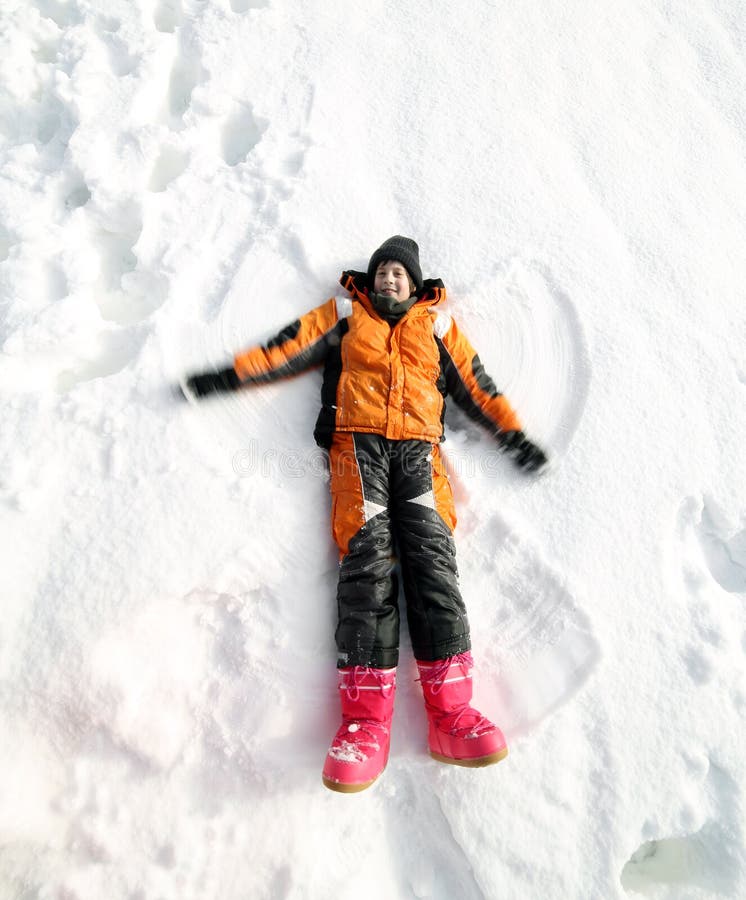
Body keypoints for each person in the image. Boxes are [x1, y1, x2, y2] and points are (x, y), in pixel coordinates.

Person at [183, 236, 548, 793]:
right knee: (366, 572)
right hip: (358, 454)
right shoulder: (346, 314)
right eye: (382, 272)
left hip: (421, 455)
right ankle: (364, 726)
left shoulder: (440, 329)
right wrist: (229, 376)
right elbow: (286, 347)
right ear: (370, 280)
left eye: (400, 273)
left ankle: (453, 715)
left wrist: (513, 435)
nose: (389, 280)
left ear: (417, 282)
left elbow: (479, 384)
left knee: (435, 572)